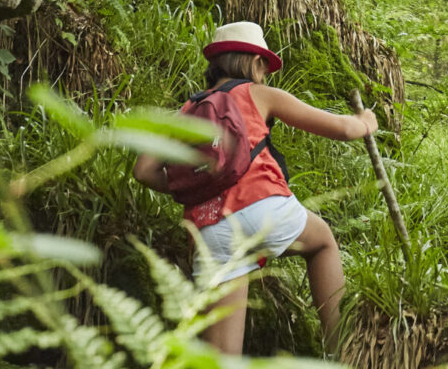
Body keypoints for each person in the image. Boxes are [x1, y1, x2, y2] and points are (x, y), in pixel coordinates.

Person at [130, 21, 378, 356]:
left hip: (211, 230)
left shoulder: (186, 110)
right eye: (263, 65)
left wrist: (187, 188)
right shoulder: (257, 94)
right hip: (264, 206)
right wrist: (365, 121)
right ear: (254, 62)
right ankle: (341, 352)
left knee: (222, 358)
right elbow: (341, 129)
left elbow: (143, 171)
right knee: (321, 244)